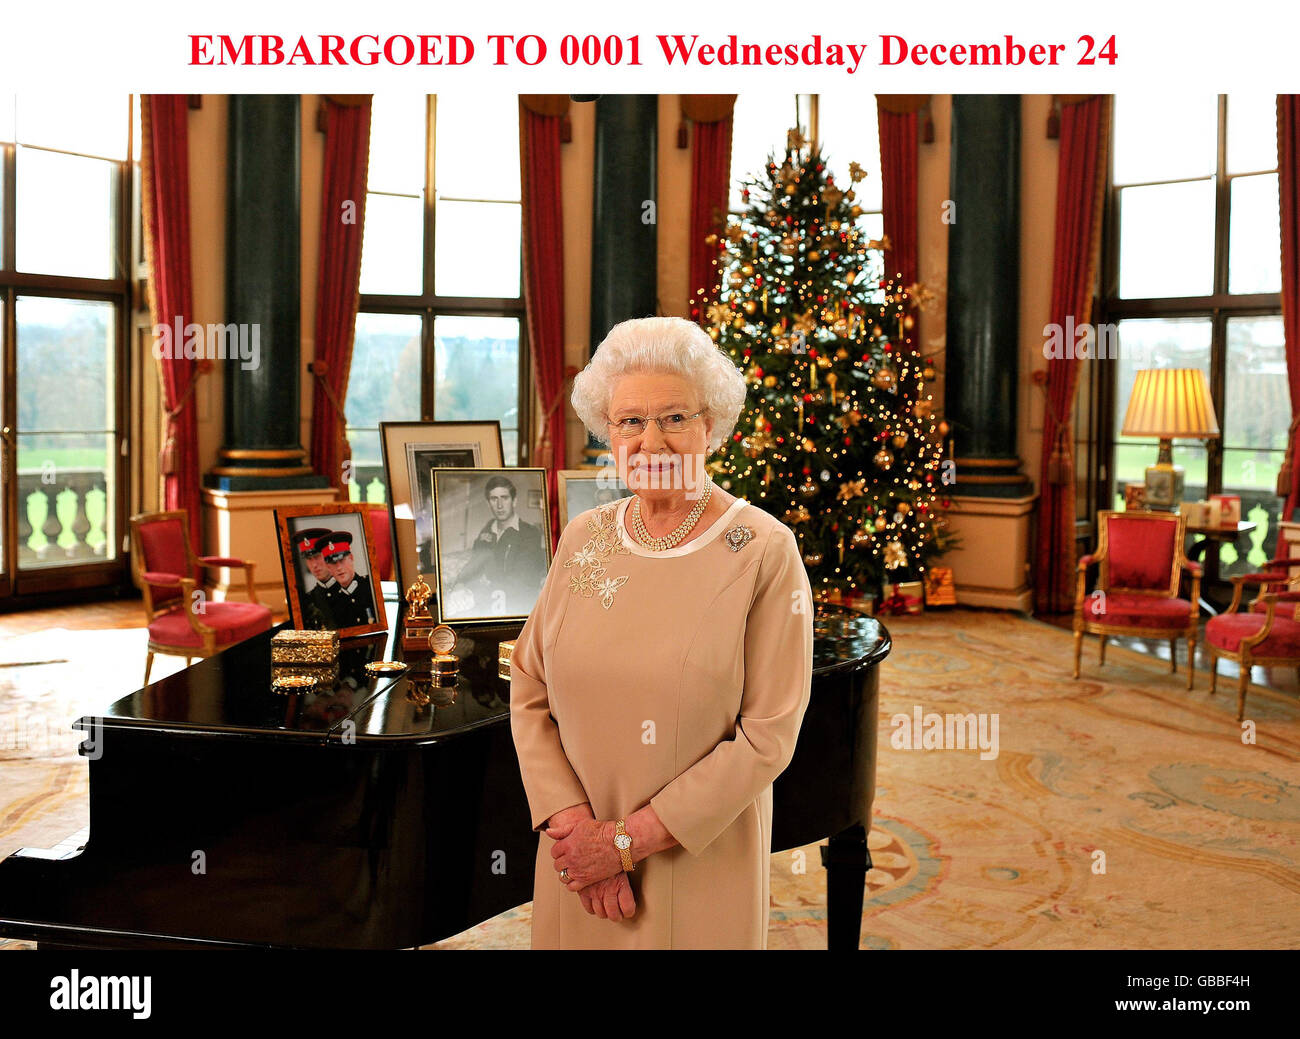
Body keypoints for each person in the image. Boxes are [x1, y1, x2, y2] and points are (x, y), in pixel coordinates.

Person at [509, 315, 814, 949]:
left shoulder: (762, 549)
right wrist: (576, 833)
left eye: (674, 418)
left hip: (696, 864)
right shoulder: (584, 536)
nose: (651, 442)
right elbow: (529, 684)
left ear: (712, 425)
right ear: (608, 433)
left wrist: (625, 843)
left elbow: (768, 737)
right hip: (574, 860)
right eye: (630, 422)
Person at [449, 475, 548, 616]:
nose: (499, 505)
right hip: (490, 597)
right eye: (494, 499)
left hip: (517, 604)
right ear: (488, 503)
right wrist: (460, 583)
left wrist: (476, 594)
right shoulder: (488, 528)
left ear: (514, 501)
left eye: (505, 498)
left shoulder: (529, 533)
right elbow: (475, 562)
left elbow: (523, 579)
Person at [320, 531, 377, 628]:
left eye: (341, 561)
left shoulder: (371, 586)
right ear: (328, 567)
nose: (339, 568)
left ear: (351, 558)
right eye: (333, 563)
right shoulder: (332, 602)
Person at [294, 526, 339, 629]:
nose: (314, 565)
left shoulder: (352, 590)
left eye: (317, 556)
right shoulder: (307, 600)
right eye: (309, 559)